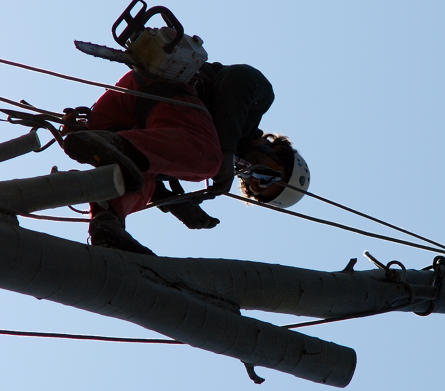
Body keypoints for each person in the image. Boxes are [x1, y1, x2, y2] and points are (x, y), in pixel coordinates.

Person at [63, 62, 309, 254]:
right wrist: (225, 152)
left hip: (116, 121)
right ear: (279, 152)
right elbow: (238, 77)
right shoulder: (252, 110)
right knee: (207, 160)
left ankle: (107, 223)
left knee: (137, 177)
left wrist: (173, 203)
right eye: (266, 177)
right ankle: (112, 144)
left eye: (254, 187)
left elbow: (147, 163)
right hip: (155, 93)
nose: (253, 179)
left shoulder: (187, 148)